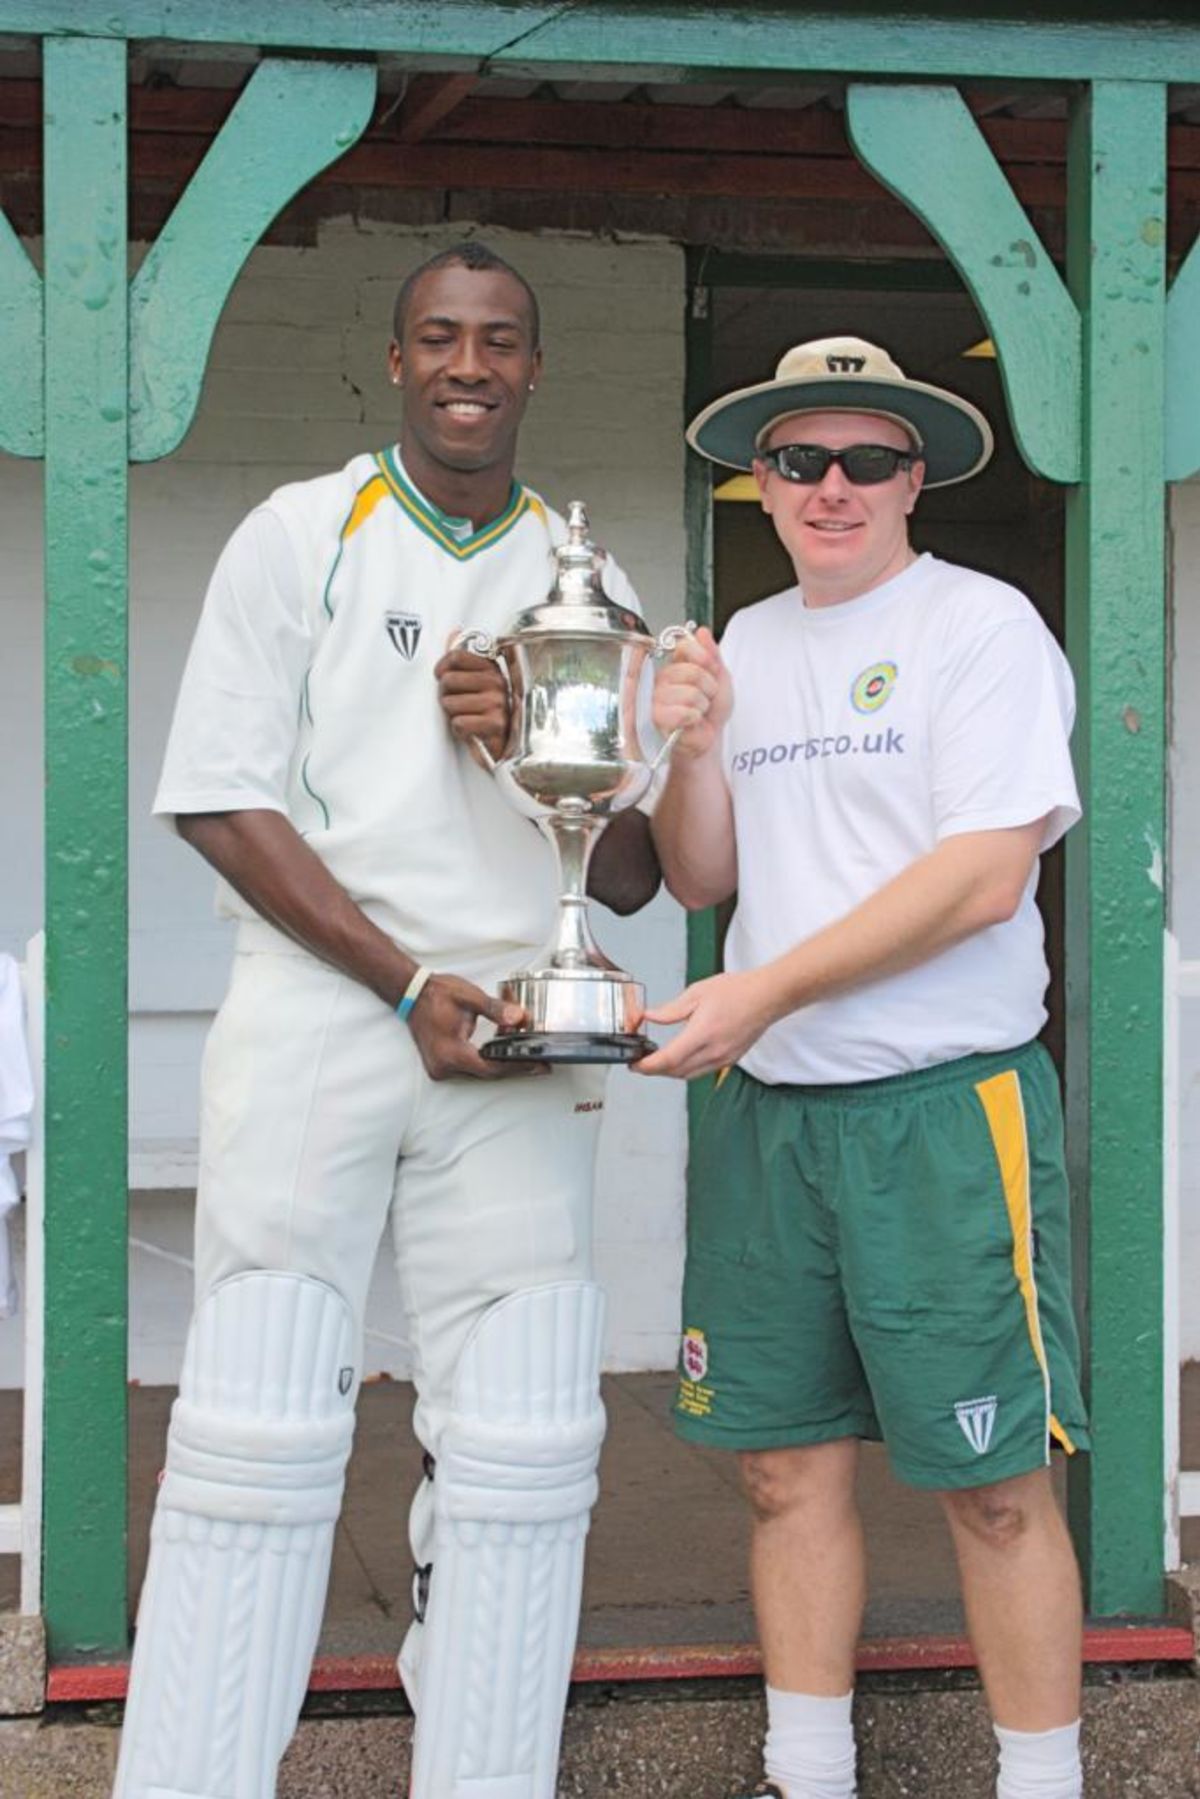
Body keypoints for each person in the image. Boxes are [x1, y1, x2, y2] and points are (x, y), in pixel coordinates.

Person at [112, 241, 660, 1799]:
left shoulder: (584, 571)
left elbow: (617, 867)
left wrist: (540, 745)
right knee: (262, 1420)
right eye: (440, 337)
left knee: (530, 1443)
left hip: (513, 1023)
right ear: (399, 360)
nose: (469, 365)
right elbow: (218, 800)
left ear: (535, 367)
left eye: (499, 340)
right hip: (327, 1012)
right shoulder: (305, 534)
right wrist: (402, 983)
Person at [641, 337, 1088, 1799]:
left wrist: (761, 988)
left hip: (941, 1116)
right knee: (784, 1471)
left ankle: (1044, 1781)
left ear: (916, 481)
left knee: (998, 1490)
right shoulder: (748, 646)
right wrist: (696, 750)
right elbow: (707, 873)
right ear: (758, 481)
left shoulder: (983, 628)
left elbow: (980, 877)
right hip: (772, 1118)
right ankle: (806, 1769)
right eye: (799, 460)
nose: (833, 488)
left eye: (868, 461)